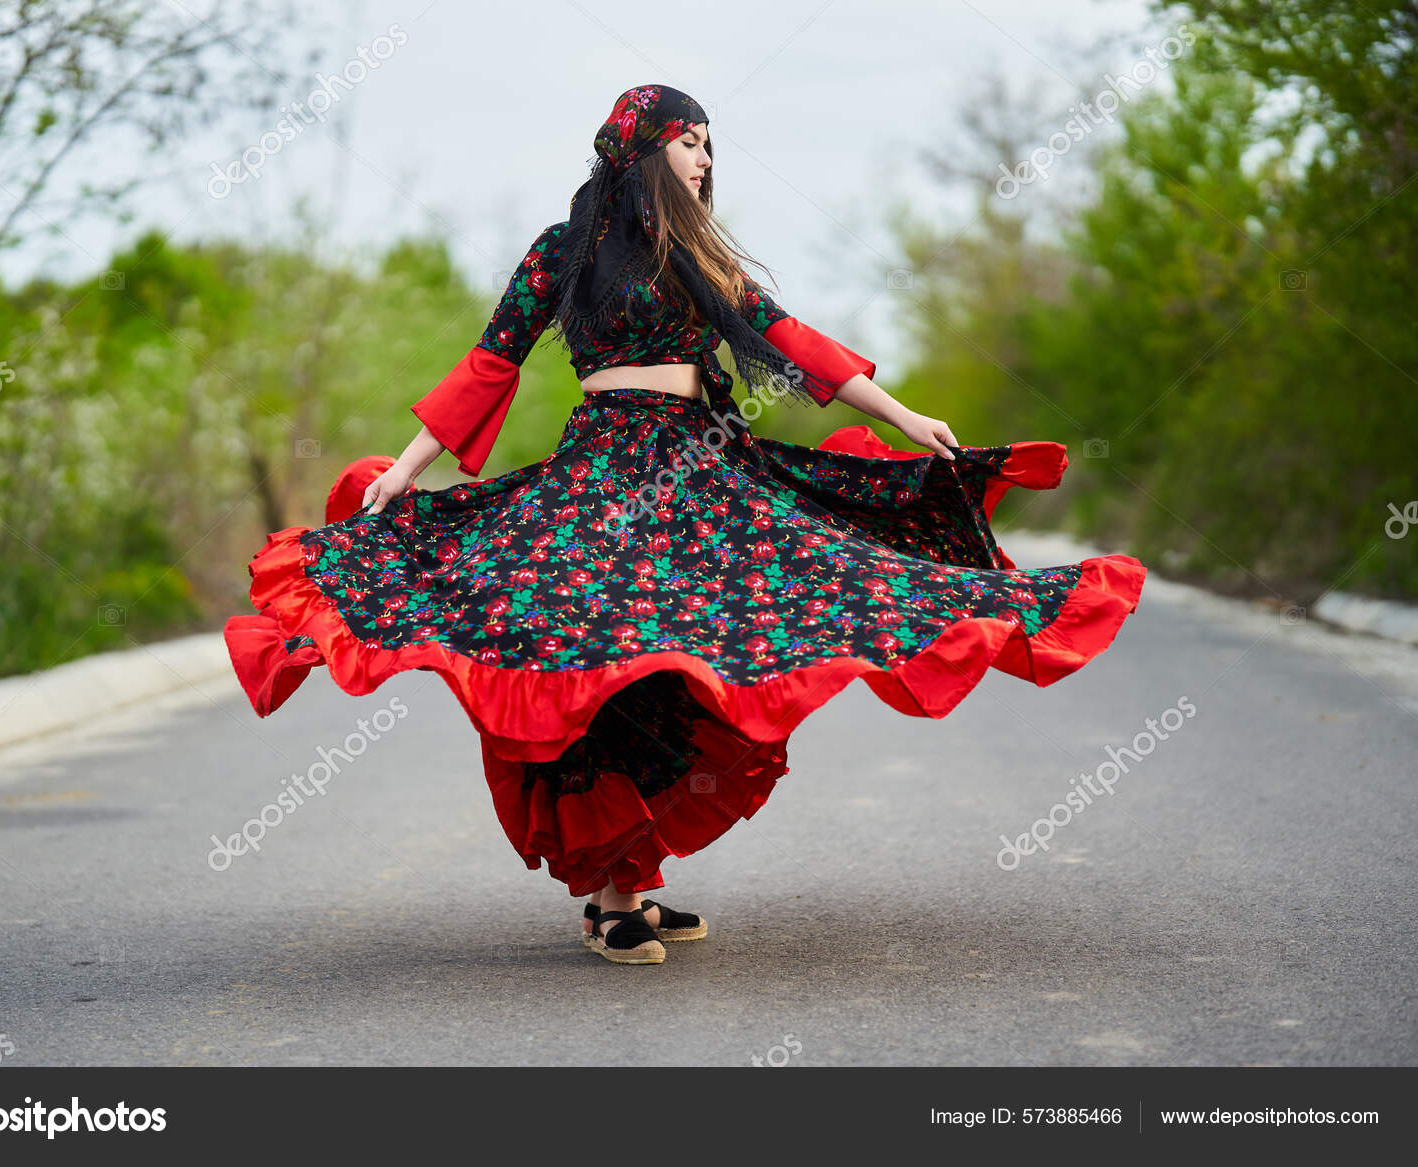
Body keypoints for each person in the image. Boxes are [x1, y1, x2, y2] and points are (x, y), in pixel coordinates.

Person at [224, 83, 1147, 966]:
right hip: (604, 472)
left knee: (721, 642)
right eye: (689, 140)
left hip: (702, 469)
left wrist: (905, 416)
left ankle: (632, 872)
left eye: (710, 144)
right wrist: (403, 468)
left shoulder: (698, 252)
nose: (704, 160)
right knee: (610, 654)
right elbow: (489, 363)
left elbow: (791, 338)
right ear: (642, 149)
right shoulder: (564, 250)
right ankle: (616, 892)